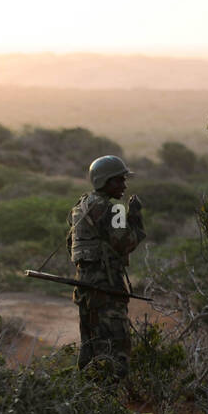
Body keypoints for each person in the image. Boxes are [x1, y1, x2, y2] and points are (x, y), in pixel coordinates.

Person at [66, 156, 145, 381]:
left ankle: (85, 400)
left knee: (90, 348)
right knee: (116, 350)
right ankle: (107, 403)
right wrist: (136, 216)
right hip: (107, 289)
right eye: (119, 181)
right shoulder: (113, 210)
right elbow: (126, 242)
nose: (124, 186)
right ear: (105, 182)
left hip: (84, 287)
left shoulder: (81, 205)